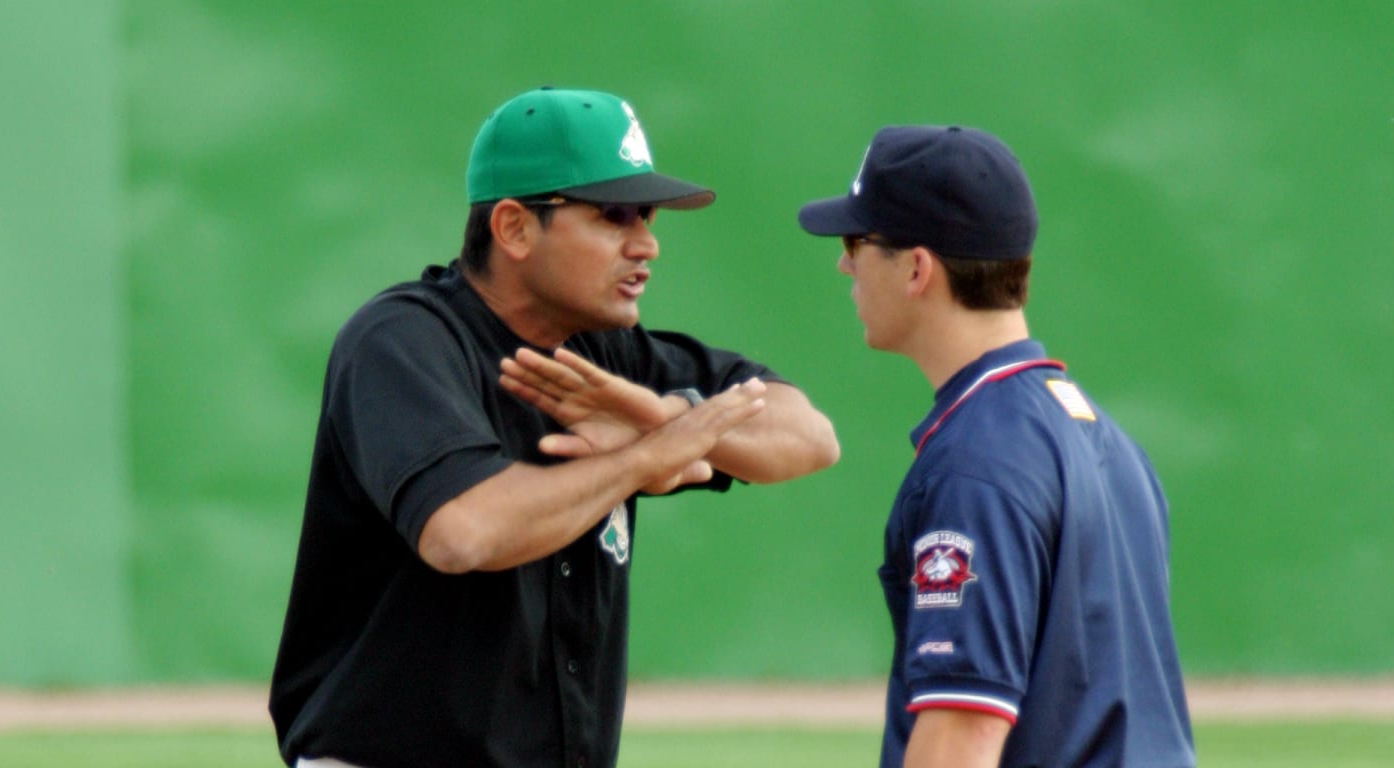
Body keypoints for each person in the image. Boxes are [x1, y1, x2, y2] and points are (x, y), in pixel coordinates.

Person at [268, 86, 840, 768]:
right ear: (512, 228)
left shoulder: (608, 353)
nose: (647, 245)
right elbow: (463, 532)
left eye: (649, 217)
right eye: (614, 216)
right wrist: (645, 456)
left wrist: (667, 420)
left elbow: (810, 436)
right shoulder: (402, 342)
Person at [797, 126, 1194, 767]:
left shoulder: (977, 462)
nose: (844, 262)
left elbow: (960, 735)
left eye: (857, 242)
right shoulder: (1100, 434)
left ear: (918, 269)